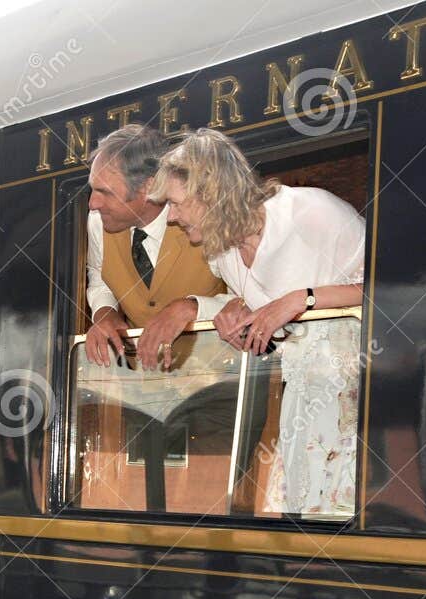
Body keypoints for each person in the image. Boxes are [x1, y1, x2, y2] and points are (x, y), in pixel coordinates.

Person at [137, 128, 365, 518]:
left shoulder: (311, 212)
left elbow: (399, 289)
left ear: (211, 193)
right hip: (304, 401)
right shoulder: (221, 251)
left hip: (364, 403)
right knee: (307, 534)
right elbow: (257, 303)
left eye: (175, 204)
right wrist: (225, 310)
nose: (170, 217)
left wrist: (301, 300)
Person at [83, 124, 226, 366]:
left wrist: (191, 307)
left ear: (148, 187)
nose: (92, 203)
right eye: (92, 189)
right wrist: (105, 313)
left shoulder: (202, 218)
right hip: (143, 387)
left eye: (104, 192)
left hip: (222, 376)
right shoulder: (98, 221)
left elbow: (248, 300)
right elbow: (99, 277)